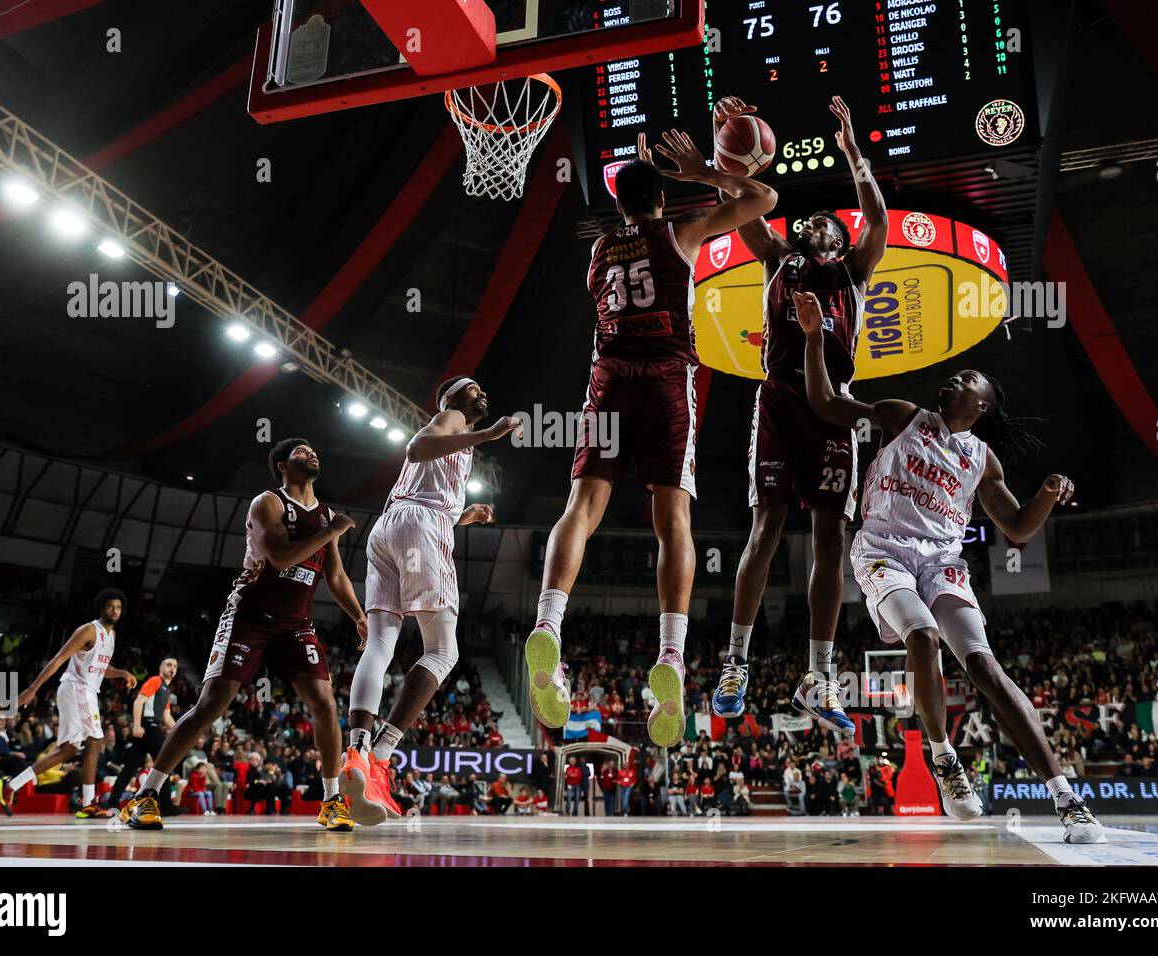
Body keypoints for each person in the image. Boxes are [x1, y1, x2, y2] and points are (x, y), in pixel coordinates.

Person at [794, 288, 1106, 844]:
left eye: (968, 379)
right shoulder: (903, 416)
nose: (957, 380)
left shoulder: (982, 458)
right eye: (957, 376)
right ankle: (944, 759)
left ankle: (1067, 796)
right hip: (884, 551)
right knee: (922, 636)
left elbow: (1016, 527)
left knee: (986, 669)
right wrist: (816, 336)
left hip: (942, 562)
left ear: (981, 405)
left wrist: (1049, 491)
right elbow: (824, 403)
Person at [525, 126, 778, 747]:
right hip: (665, 376)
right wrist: (704, 173)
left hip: (609, 374)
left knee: (581, 509)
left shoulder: (601, 250)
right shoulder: (679, 233)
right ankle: (669, 654)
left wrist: (649, 192)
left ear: (618, 205)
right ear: (662, 201)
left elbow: (629, 236)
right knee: (673, 521)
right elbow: (763, 200)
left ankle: (549, 626)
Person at [711, 95, 888, 732]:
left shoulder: (855, 270)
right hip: (781, 396)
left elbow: (875, 217)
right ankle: (736, 661)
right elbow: (740, 201)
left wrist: (852, 150)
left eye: (826, 224)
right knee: (765, 529)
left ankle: (819, 675)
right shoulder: (777, 260)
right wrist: (723, 148)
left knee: (830, 537)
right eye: (809, 221)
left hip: (834, 405)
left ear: (839, 243)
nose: (816, 224)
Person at [122, 439, 368, 833]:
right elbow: (282, 557)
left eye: (313, 450)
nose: (312, 454)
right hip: (250, 613)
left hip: (295, 622)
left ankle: (331, 799)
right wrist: (333, 531)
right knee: (212, 703)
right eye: (302, 452)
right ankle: (147, 794)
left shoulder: (325, 515)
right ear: (282, 465)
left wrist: (359, 615)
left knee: (324, 703)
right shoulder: (267, 503)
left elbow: (335, 575)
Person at [342, 377, 519, 826]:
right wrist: (488, 433)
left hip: (387, 529)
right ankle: (381, 755)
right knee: (443, 650)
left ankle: (357, 751)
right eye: (472, 388)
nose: (482, 393)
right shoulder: (451, 419)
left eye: (483, 388)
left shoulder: (454, 433)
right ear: (450, 399)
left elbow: (421, 496)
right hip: (420, 526)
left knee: (381, 642)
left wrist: (464, 516)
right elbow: (416, 448)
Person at [0, 589, 137, 819]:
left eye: (119, 607)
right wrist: (33, 689)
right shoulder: (88, 630)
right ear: (101, 608)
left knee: (69, 750)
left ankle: (12, 785)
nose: (115, 611)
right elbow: (60, 658)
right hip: (77, 688)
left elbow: (99, 669)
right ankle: (89, 803)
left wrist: (121, 673)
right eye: (111, 606)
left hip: (84, 689)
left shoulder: (111, 636)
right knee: (95, 740)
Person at [108, 657, 178, 808]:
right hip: (149, 726)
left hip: (152, 727)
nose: (172, 668)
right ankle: (166, 804)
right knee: (164, 764)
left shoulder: (166, 690)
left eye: (174, 666)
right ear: (161, 668)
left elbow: (167, 716)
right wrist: (137, 725)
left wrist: (180, 729)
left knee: (130, 768)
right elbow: (138, 701)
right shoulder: (155, 681)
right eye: (168, 664)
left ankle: (112, 801)